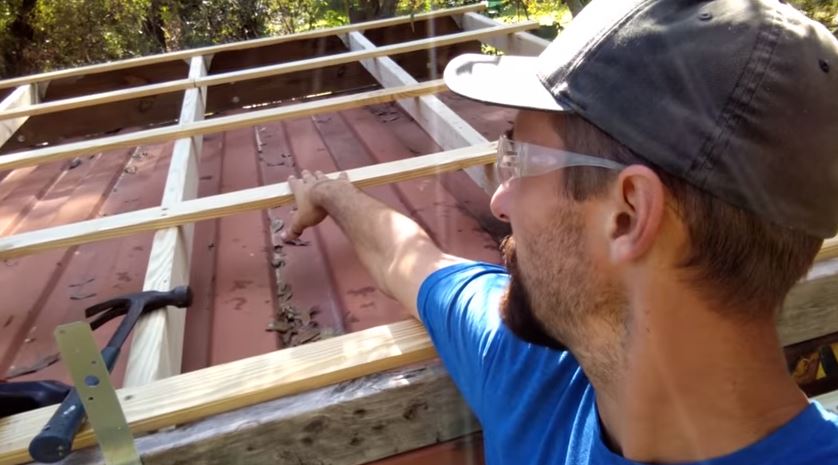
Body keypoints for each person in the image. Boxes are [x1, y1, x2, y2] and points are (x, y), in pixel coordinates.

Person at [280, 0, 838, 463]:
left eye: (517, 158)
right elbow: (409, 258)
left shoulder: (533, 381)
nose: (500, 201)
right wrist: (329, 192)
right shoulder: (533, 368)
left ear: (626, 216)